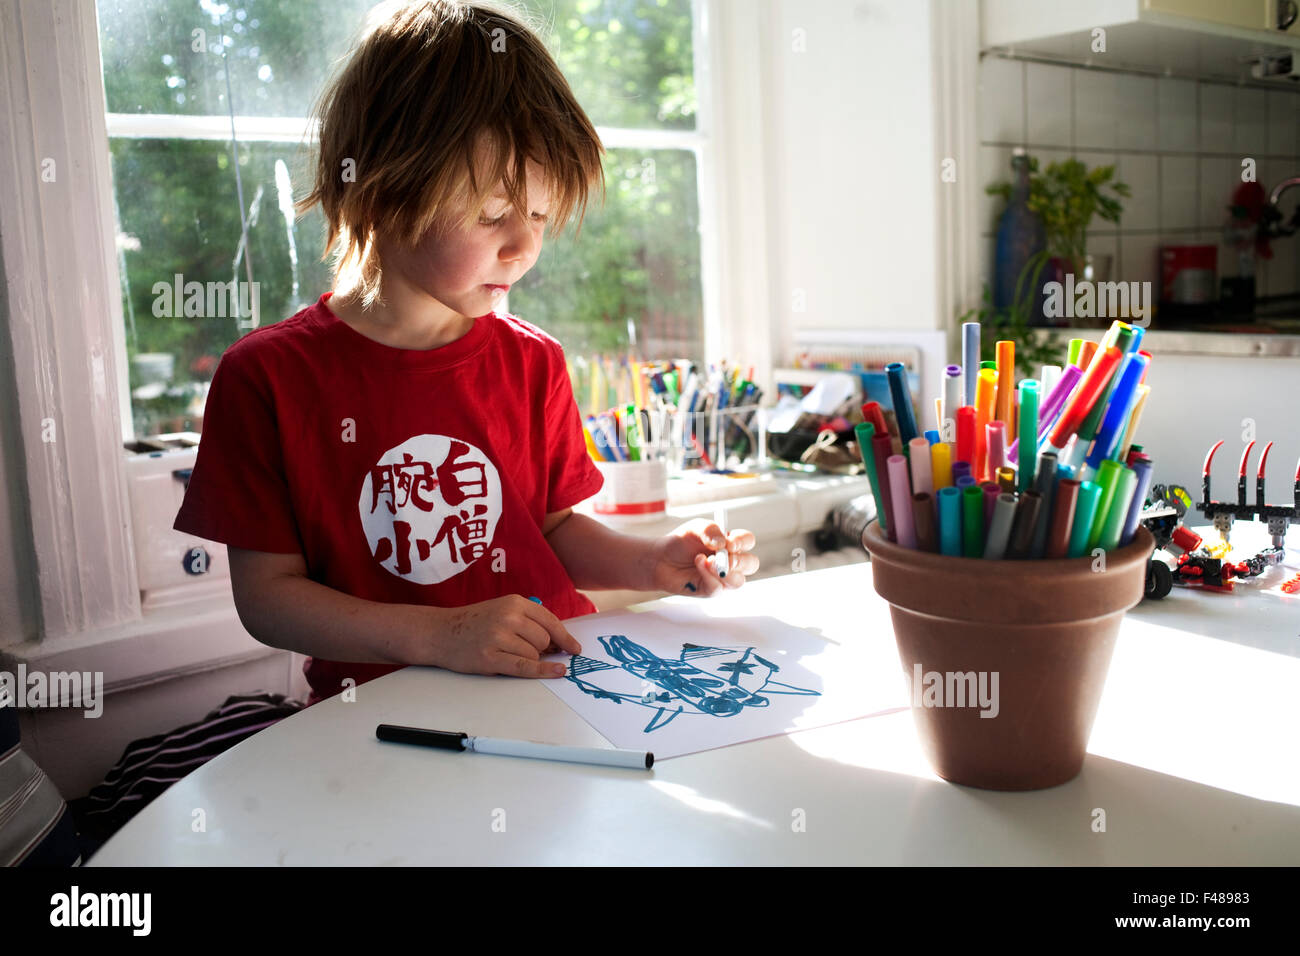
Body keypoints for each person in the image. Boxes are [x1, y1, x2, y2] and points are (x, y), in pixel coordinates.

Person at [173, 0, 758, 706]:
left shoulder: (533, 362)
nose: (525, 245)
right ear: (384, 191)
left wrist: (651, 561)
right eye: (492, 216)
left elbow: (552, 529)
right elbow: (268, 600)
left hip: (563, 693)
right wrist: (439, 634)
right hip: (388, 718)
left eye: (540, 216)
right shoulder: (266, 378)